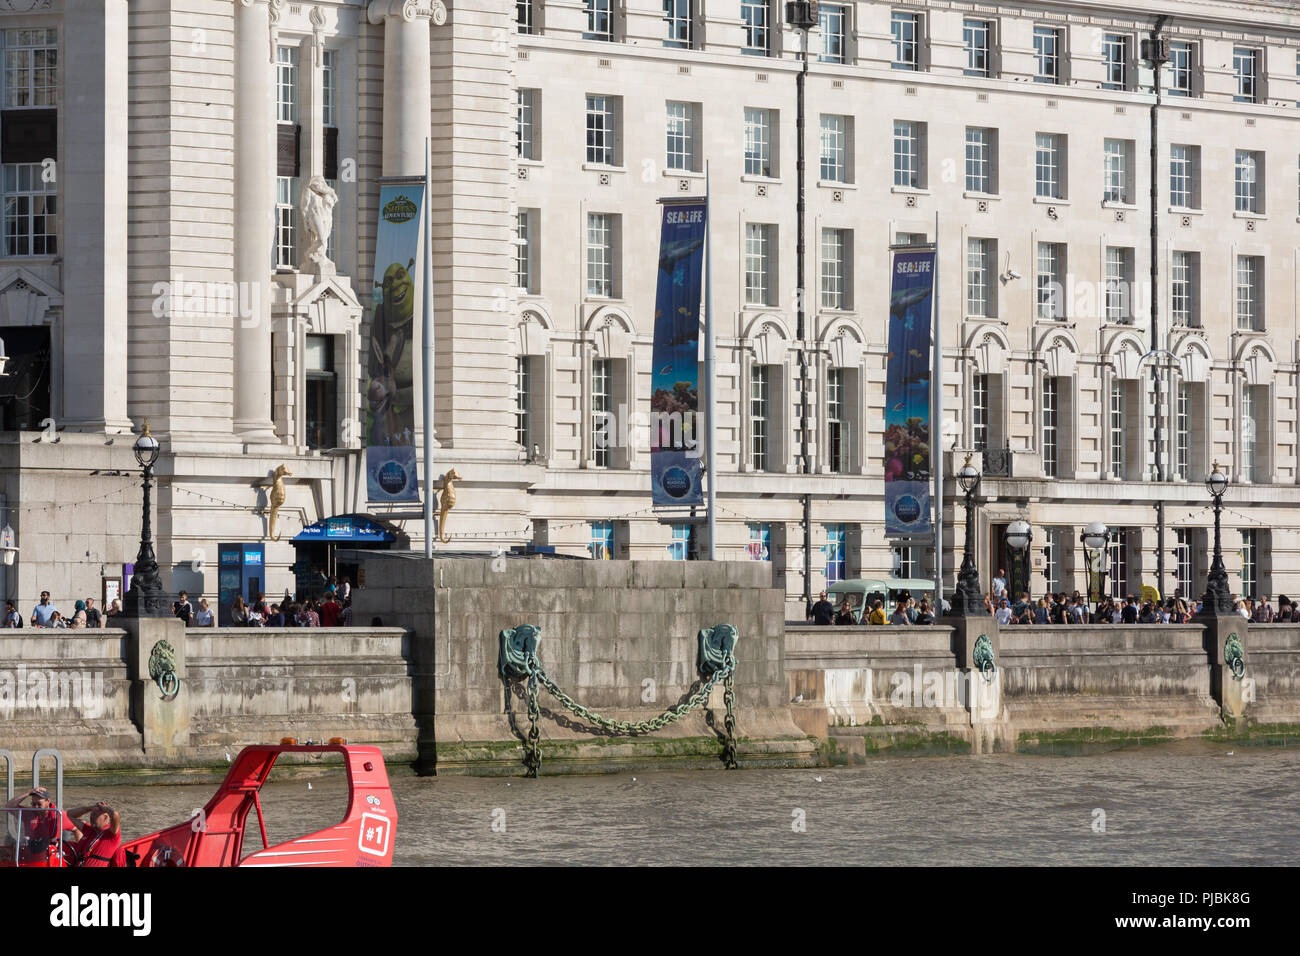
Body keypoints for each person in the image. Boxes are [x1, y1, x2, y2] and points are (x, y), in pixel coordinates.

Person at [5, 787, 80, 858]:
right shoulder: (28, 813)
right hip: (31, 852)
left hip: (51, 855)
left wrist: (80, 850)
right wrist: (29, 792)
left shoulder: (59, 816)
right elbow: (9, 806)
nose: (36, 807)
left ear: (48, 801)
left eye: (39, 804)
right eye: (33, 804)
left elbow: (77, 828)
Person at [67, 802, 126, 867]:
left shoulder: (112, 834)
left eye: (95, 815)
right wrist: (90, 808)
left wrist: (104, 808)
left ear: (105, 817)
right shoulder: (88, 829)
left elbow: (115, 815)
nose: (91, 817)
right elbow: (70, 814)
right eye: (91, 814)